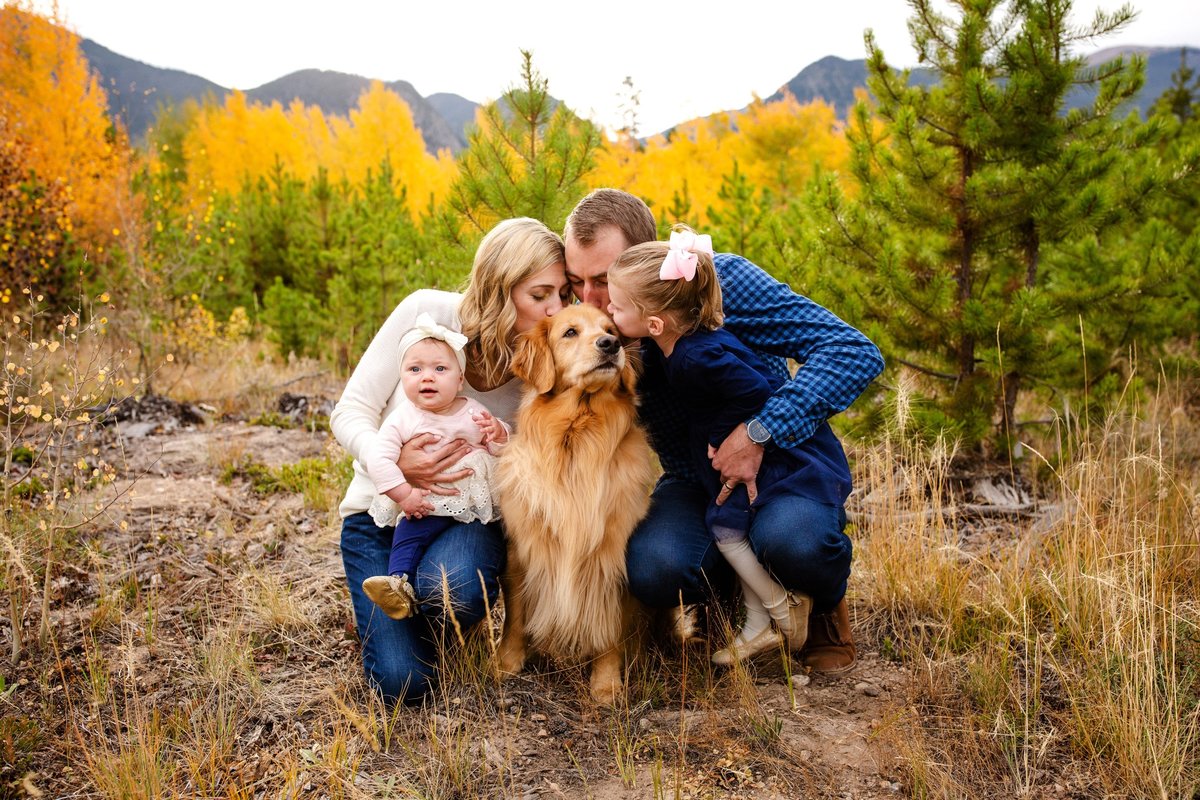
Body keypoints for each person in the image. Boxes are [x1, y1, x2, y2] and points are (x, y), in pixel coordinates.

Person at [563, 189, 884, 673]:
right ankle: (725, 599)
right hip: (696, 480)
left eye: (604, 281)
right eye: (575, 283)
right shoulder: (599, 332)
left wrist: (758, 433)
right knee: (654, 567)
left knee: (795, 541)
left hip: (780, 466)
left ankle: (821, 604)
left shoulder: (719, 283)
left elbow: (851, 350)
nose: (590, 300)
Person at [331, 217, 570, 704]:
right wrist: (394, 464)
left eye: (563, 294)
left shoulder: (545, 355)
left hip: (463, 517)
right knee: (405, 687)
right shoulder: (426, 314)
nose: (556, 309)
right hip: (381, 515)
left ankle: (432, 619)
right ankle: (395, 624)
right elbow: (350, 410)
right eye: (541, 294)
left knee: (453, 589)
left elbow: (538, 459)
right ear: (501, 290)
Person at [359, 313, 510, 621]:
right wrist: (404, 495)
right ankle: (397, 583)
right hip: (425, 504)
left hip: (471, 509)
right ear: (402, 379)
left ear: (460, 379)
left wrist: (497, 433)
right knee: (408, 536)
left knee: (459, 575)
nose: (427, 377)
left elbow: (497, 449)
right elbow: (378, 458)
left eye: (440, 369)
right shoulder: (403, 418)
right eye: (415, 369)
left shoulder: (473, 411)